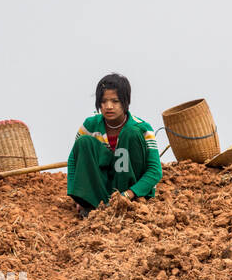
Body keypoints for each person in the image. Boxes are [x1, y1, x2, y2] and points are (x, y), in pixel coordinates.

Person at [66, 72, 163, 218]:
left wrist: (129, 193)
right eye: (104, 101)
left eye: (115, 101)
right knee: (84, 142)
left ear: (125, 102)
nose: (108, 106)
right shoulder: (90, 126)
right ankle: (93, 204)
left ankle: (125, 202)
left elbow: (155, 171)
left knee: (130, 134)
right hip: (102, 188)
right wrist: (78, 196)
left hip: (130, 192)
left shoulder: (142, 128)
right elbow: (74, 160)